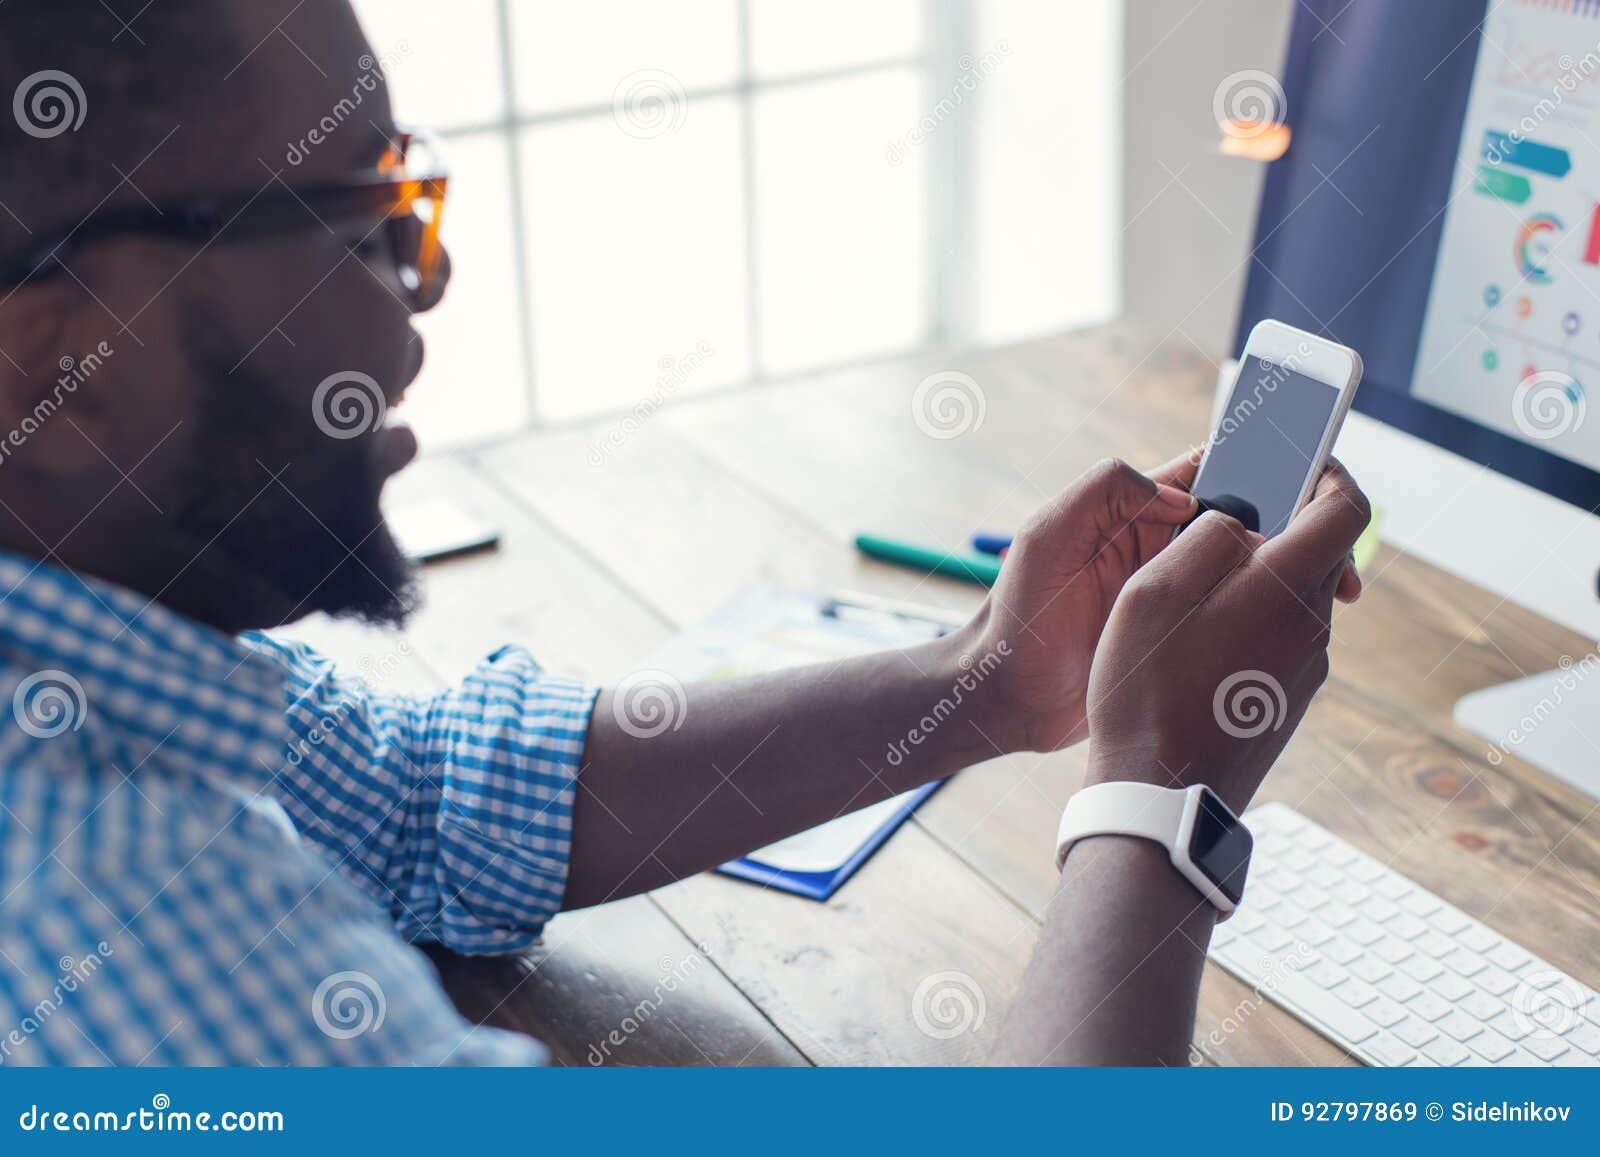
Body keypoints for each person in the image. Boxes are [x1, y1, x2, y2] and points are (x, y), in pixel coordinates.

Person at [0, 0, 1369, 1066]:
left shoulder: (81, 665)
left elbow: (410, 802)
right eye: (362, 223)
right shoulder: (115, 931)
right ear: (58, 360)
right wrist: (1160, 800)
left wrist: (990, 679)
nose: (434, 277)